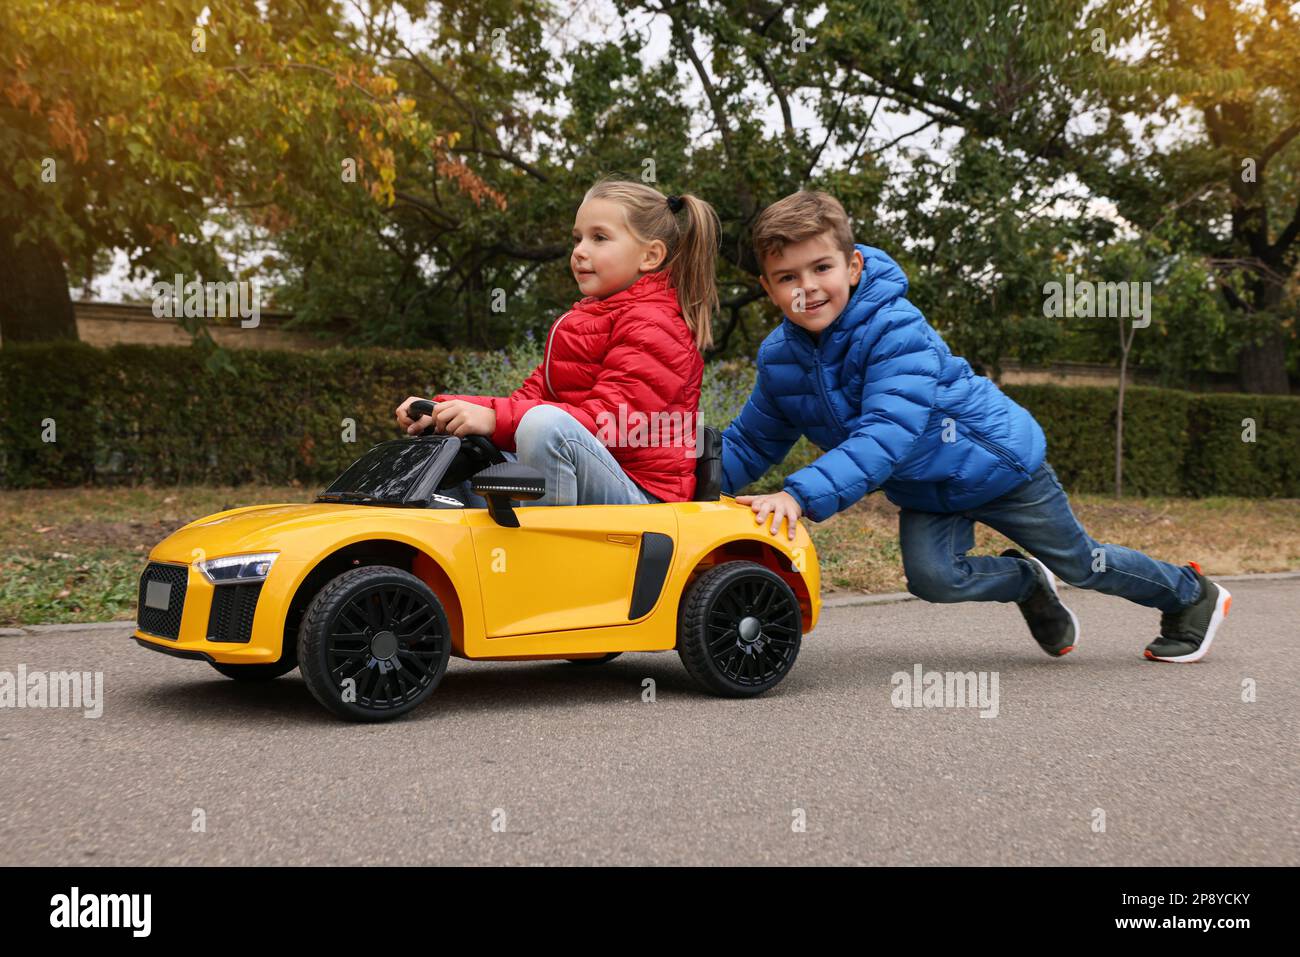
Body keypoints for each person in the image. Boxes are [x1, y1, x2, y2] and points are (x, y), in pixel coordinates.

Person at [720, 190, 1230, 663]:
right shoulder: (781, 359)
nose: (807, 288)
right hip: (926, 488)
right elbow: (752, 440)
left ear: (853, 267)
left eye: (821, 267)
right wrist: (680, 482)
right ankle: (1027, 581)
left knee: (1081, 562)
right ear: (768, 287)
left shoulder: (894, 330)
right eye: (788, 277)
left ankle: (1190, 595)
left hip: (1000, 467)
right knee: (934, 578)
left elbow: (887, 430)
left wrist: (798, 495)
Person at [396, 177, 720, 507]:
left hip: (643, 499)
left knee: (544, 425)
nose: (580, 251)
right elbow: (527, 399)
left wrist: (495, 419)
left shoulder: (655, 325)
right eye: (577, 239)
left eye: (599, 238)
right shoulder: (582, 324)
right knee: (460, 455)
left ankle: (547, 554)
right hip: (595, 477)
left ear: (650, 256)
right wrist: (445, 409)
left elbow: (609, 424)